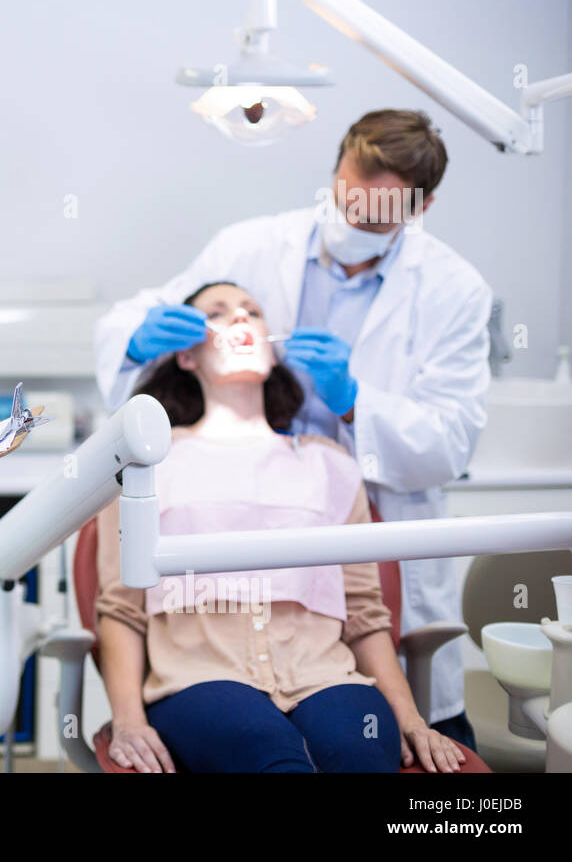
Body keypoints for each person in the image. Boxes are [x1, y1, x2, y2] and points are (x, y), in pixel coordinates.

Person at [94, 110, 490, 750]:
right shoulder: (246, 250)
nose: (355, 222)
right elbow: (122, 604)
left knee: (386, 746)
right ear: (335, 171)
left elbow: (449, 442)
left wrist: (359, 404)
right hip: (208, 670)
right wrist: (136, 339)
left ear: (422, 207)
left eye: (376, 217)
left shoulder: (454, 291)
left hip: (336, 615)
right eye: (347, 199)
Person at [95, 281, 466, 773]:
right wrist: (127, 720)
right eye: (220, 313)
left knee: (359, 755)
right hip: (198, 680)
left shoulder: (330, 465)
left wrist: (413, 719)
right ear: (186, 356)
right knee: (272, 757)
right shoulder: (144, 464)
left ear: (274, 352)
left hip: (328, 676)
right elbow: (121, 608)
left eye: (253, 311)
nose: (242, 320)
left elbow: (363, 613)